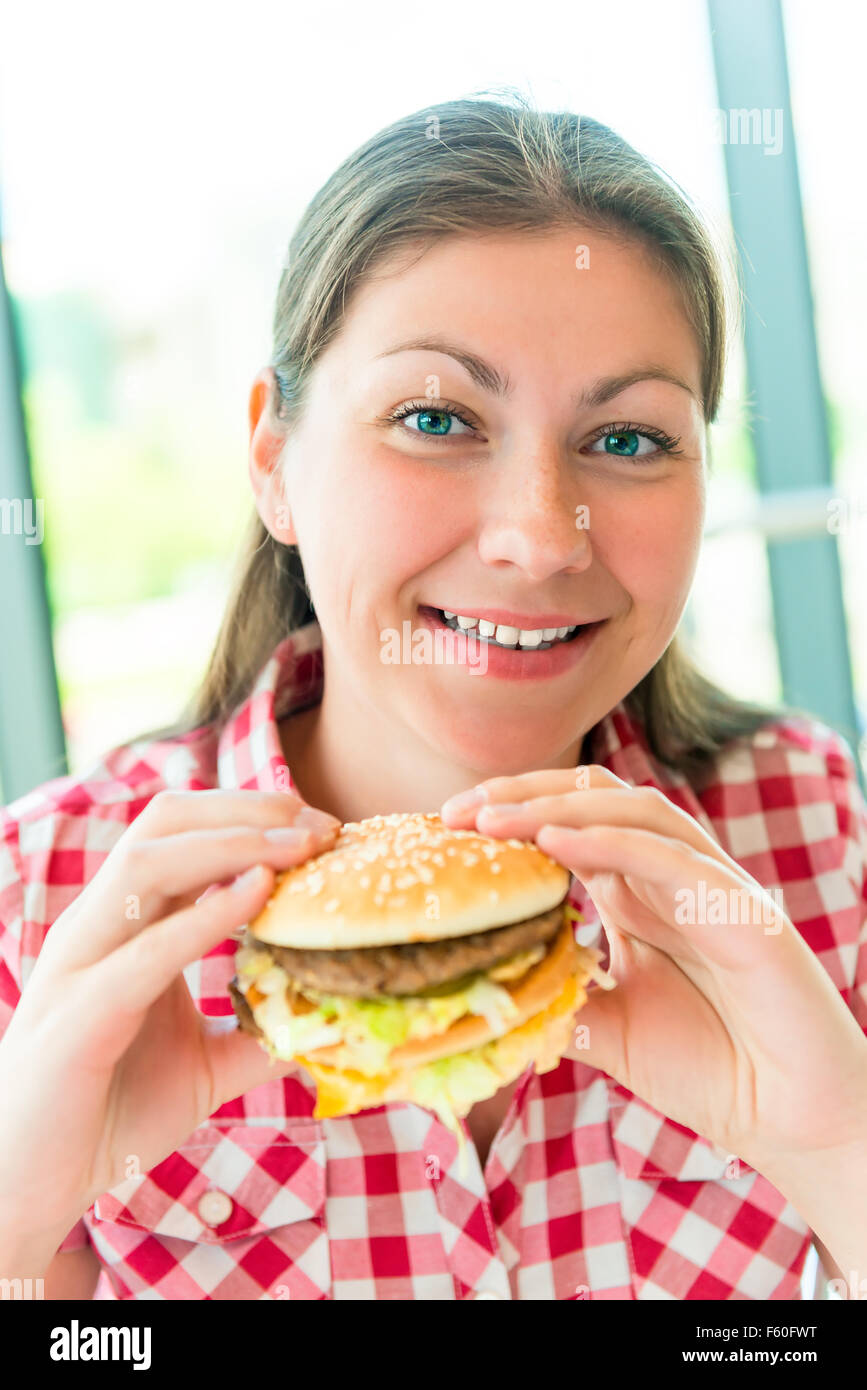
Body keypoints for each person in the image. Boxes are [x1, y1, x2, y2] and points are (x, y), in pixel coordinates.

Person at [1, 95, 865, 1302]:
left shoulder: (807, 826)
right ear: (272, 458)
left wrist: (840, 1154)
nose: (536, 539)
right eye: (435, 418)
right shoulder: (42, 897)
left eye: (626, 441)